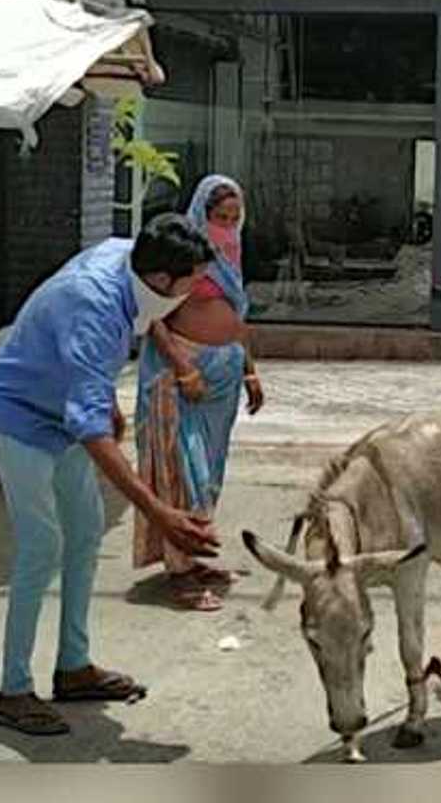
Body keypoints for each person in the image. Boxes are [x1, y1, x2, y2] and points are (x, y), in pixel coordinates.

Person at [0, 214, 221, 737]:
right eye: (191, 283)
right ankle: (13, 691)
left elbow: (108, 346)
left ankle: (73, 667)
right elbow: (91, 432)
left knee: (86, 533)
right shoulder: (94, 303)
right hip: (19, 413)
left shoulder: (126, 257)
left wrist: (106, 396)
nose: (195, 293)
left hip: (62, 410)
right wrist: (157, 511)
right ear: (161, 281)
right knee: (42, 546)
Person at [135, 175, 265, 611]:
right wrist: (182, 366)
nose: (226, 225)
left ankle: (194, 557)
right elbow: (153, 317)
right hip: (184, 374)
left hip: (223, 373)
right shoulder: (181, 256)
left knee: (208, 471)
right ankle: (179, 570)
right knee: (182, 469)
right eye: (218, 217)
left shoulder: (230, 255)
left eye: (233, 218)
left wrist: (249, 370)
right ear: (201, 216)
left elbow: (237, 314)